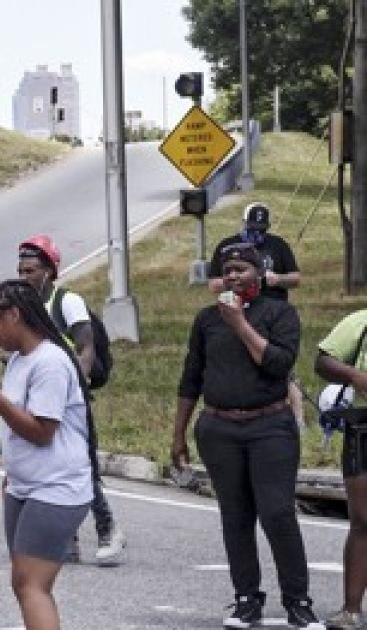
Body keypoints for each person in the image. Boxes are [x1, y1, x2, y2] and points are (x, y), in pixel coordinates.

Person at [171, 242, 322, 629]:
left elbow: (278, 364)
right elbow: (191, 380)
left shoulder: (280, 313)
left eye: (241, 268)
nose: (233, 275)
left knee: (277, 513)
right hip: (219, 428)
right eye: (228, 270)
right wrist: (179, 436)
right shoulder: (207, 320)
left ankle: (298, 601)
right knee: (235, 517)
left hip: (269, 426)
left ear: (259, 272)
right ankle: (246, 599)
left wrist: (240, 325)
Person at [0, 279, 92, 630]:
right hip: (25, 485)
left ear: (16, 315)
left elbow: (41, 431)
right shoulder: (19, 361)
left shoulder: (50, 362)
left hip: (57, 486)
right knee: (24, 583)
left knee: (31, 585)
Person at [14, 235, 125, 565]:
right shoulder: (25, 310)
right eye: (20, 270)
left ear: (49, 270)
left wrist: (72, 387)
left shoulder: (67, 301)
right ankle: (68, 539)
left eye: (30, 270)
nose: (24, 277)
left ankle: (107, 529)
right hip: (39, 400)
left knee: (81, 466)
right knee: (52, 468)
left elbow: (85, 348)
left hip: (71, 400)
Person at [207, 202, 306, 425]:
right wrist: (239, 278)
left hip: (273, 313)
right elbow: (213, 284)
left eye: (261, 230)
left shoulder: (278, 245)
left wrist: (277, 279)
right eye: (252, 228)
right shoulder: (227, 247)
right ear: (243, 224)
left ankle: (297, 419)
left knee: (282, 367)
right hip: (236, 310)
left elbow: (296, 278)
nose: (256, 234)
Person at [315, 308, 367, 629]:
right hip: (364, 428)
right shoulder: (361, 322)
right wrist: (355, 376)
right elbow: (323, 361)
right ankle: (351, 610)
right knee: (363, 519)